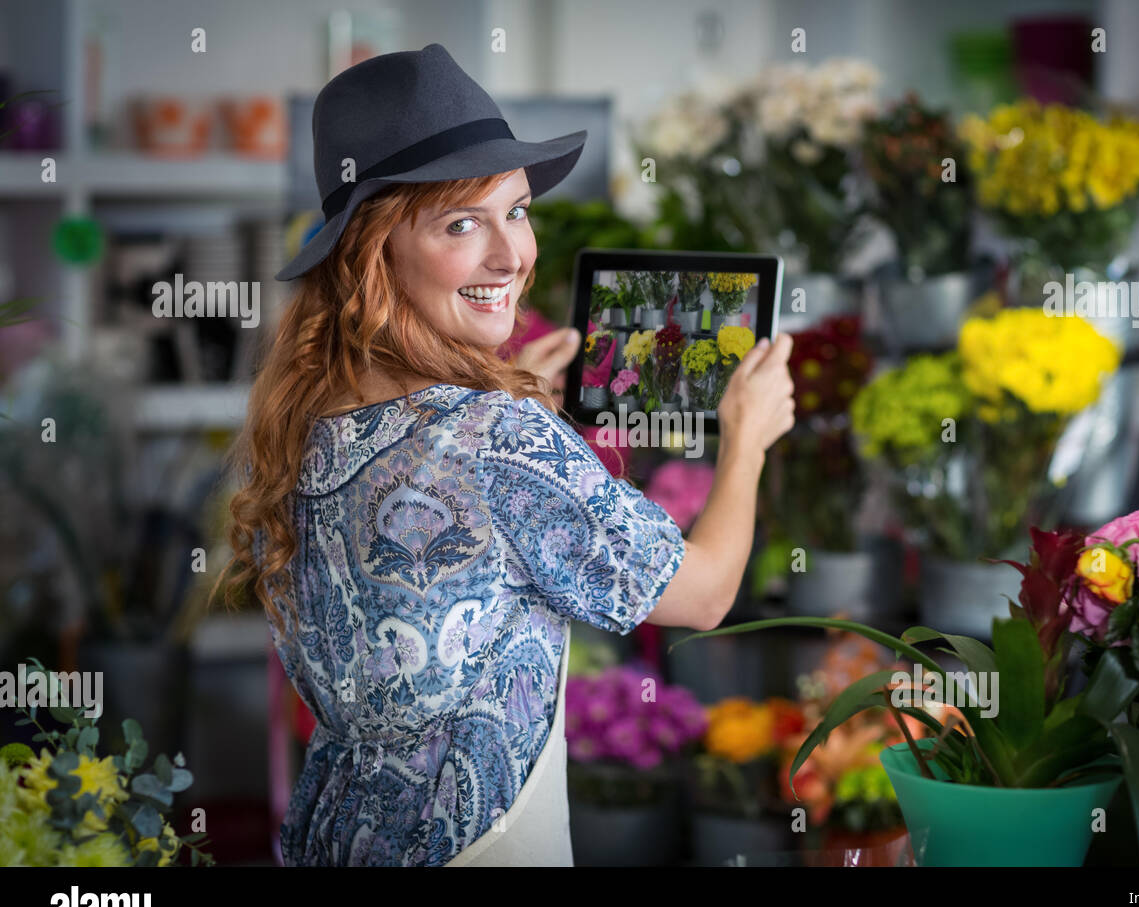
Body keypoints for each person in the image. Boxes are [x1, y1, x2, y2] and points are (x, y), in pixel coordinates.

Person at [213, 43, 794, 865]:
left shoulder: (304, 421)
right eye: (461, 223)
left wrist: (510, 401)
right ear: (374, 252)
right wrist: (747, 440)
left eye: (515, 210)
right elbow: (702, 598)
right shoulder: (498, 439)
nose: (509, 256)